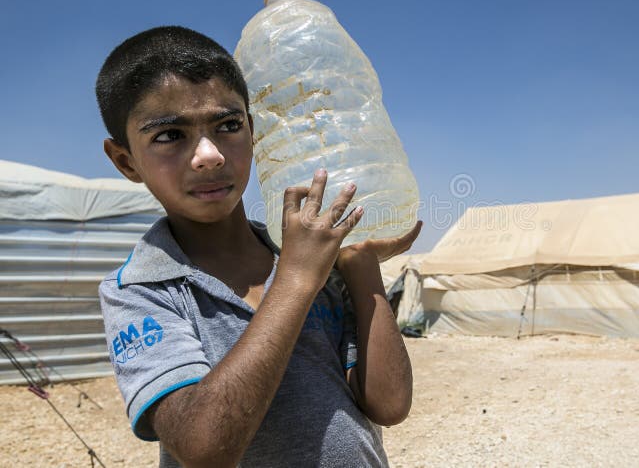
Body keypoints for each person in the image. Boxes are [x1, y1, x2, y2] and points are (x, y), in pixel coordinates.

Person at [95, 25, 421, 467]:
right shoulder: (140, 289)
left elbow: (388, 404)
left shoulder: (311, 257)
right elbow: (203, 447)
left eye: (228, 125)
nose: (209, 154)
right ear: (126, 161)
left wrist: (361, 265)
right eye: (170, 135)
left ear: (255, 132)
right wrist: (296, 279)